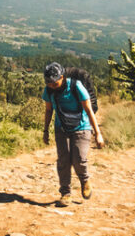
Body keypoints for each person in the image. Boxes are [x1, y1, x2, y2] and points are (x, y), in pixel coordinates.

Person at [42, 62, 104, 207]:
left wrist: (98, 133)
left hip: (81, 127)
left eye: (54, 83)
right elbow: (49, 110)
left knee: (79, 159)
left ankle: (84, 180)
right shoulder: (49, 90)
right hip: (61, 128)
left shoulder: (76, 86)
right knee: (63, 161)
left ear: (62, 77)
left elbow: (89, 110)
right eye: (49, 83)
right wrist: (45, 131)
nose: (52, 86)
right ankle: (65, 193)